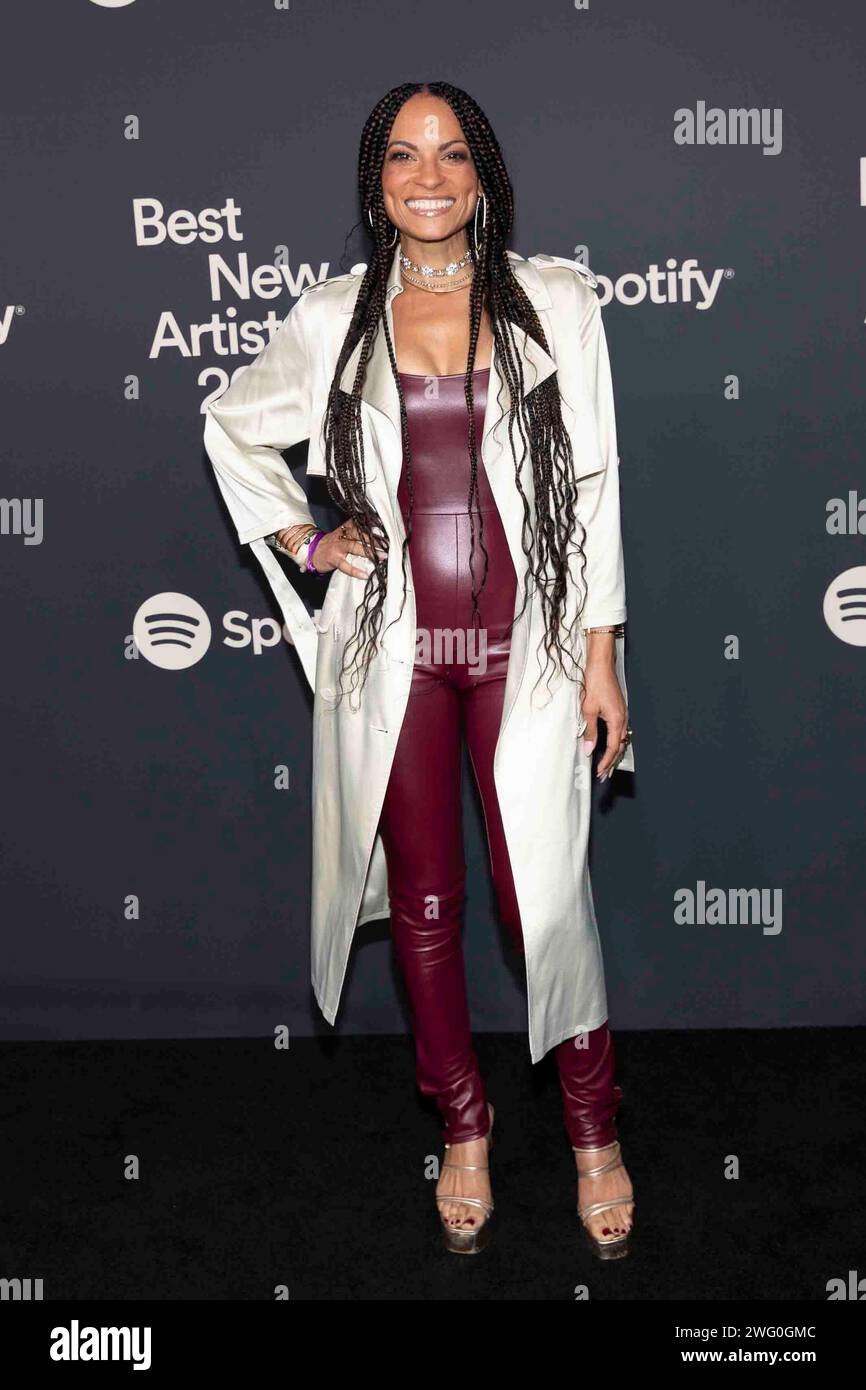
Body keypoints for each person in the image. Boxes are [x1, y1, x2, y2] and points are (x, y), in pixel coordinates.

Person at [203, 80, 635, 1259]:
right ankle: (461, 1123)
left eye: (451, 154)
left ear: (482, 172)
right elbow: (230, 425)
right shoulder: (334, 315)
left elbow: (590, 487)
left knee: (542, 897)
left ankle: (594, 1130)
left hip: (531, 648)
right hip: (392, 648)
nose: (428, 176)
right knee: (426, 908)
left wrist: (604, 656)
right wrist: (306, 538)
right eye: (403, 156)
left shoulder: (556, 300)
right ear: (375, 180)